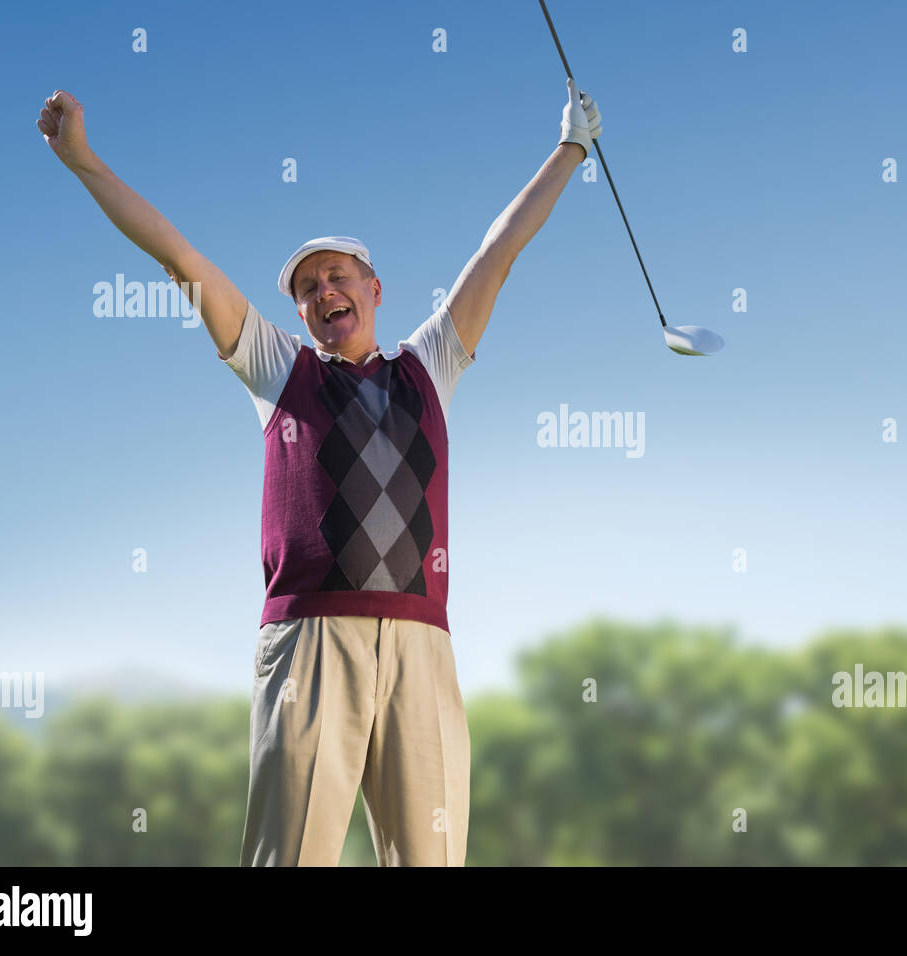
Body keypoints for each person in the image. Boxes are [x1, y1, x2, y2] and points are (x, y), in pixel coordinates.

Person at [37, 79, 602, 866]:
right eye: (308, 288)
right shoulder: (280, 369)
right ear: (300, 313)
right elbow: (180, 257)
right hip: (310, 641)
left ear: (374, 289)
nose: (323, 291)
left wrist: (570, 149)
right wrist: (85, 164)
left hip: (421, 645)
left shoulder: (429, 364)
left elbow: (497, 253)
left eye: (337, 276)